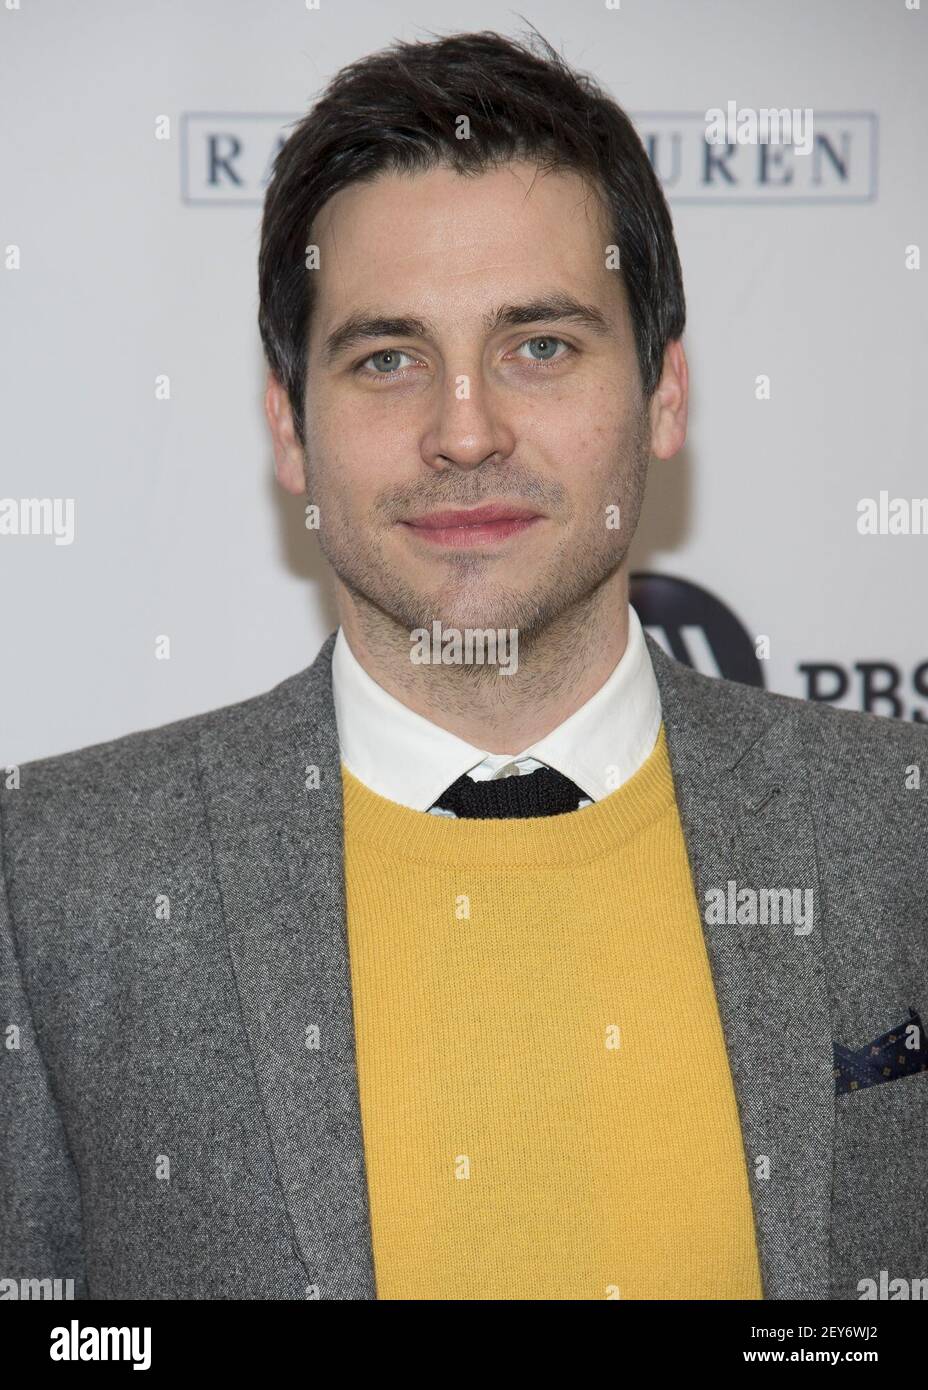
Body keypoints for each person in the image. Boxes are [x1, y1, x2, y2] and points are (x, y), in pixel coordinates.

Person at [2, 28, 926, 1302]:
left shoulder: (897, 828)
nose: (464, 428)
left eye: (538, 345)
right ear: (289, 427)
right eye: (387, 358)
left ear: (665, 394)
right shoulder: (55, 872)